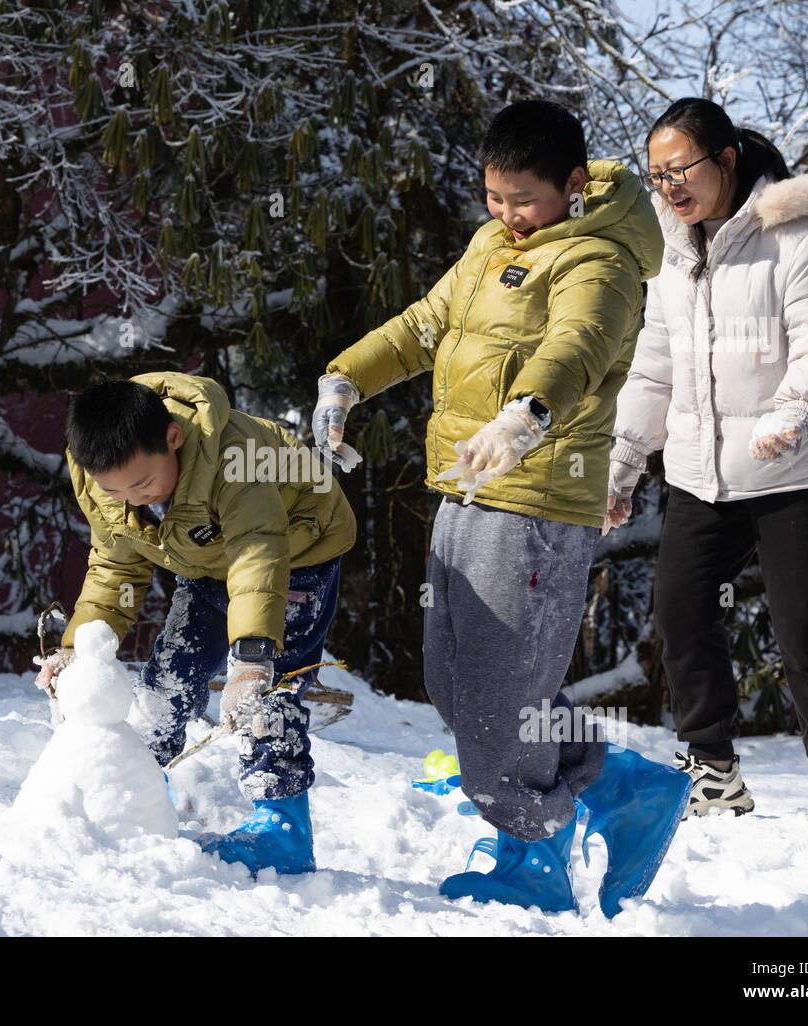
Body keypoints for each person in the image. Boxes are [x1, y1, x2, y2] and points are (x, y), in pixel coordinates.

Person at [313, 99, 690, 917]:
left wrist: (528, 415)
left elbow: (577, 347)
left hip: (536, 496)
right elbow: (424, 326)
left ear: (574, 184)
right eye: (494, 196)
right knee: (460, 685)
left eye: (523, 198)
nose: (507, 215)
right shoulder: (492, 246)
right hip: (466, 483)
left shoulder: (600, 261)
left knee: (495, 698)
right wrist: (347, 377)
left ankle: (536, 848)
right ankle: (618, 783)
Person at [606, 97, 808, 837]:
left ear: (725, 160)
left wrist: (792, 414)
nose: (669, 188)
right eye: (656, 176)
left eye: (681, 169)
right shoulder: (671, 249)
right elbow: (653, 366)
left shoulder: (799, 239)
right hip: (701, 472)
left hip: (799, 468)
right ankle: (713, 770)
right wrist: (624, 461)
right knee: (682, 612)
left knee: (806, 626)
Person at [38, 371, 357, 872]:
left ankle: (282, 828)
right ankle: (134, 789)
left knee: (268, 693)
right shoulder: (105, 480)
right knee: (171, 672)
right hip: (207, 560)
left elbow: (258, 553)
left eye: (142, 483)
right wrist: (78, 649)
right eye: (115, 490)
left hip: (295, 552)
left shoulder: (234, 458)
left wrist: (252, 659)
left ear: (174, 438)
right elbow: (116, 566)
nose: (131, 499)